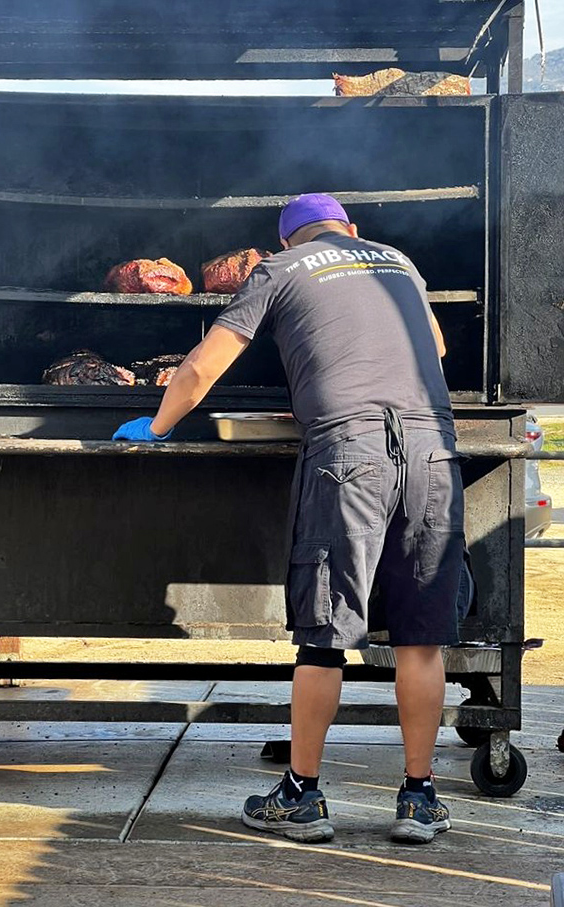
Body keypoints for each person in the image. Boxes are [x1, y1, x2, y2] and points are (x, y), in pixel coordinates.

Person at [113, 193, 464, 845]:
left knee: (325, 634)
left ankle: (301, 795)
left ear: (287, 241)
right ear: (350, 229)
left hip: (349, 452)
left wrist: (157, 426)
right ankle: (419, 798)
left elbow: (202, 366)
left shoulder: (280, 270)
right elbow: (436, 349)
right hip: (432, 450)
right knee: (421, 635)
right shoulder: (397, 260)